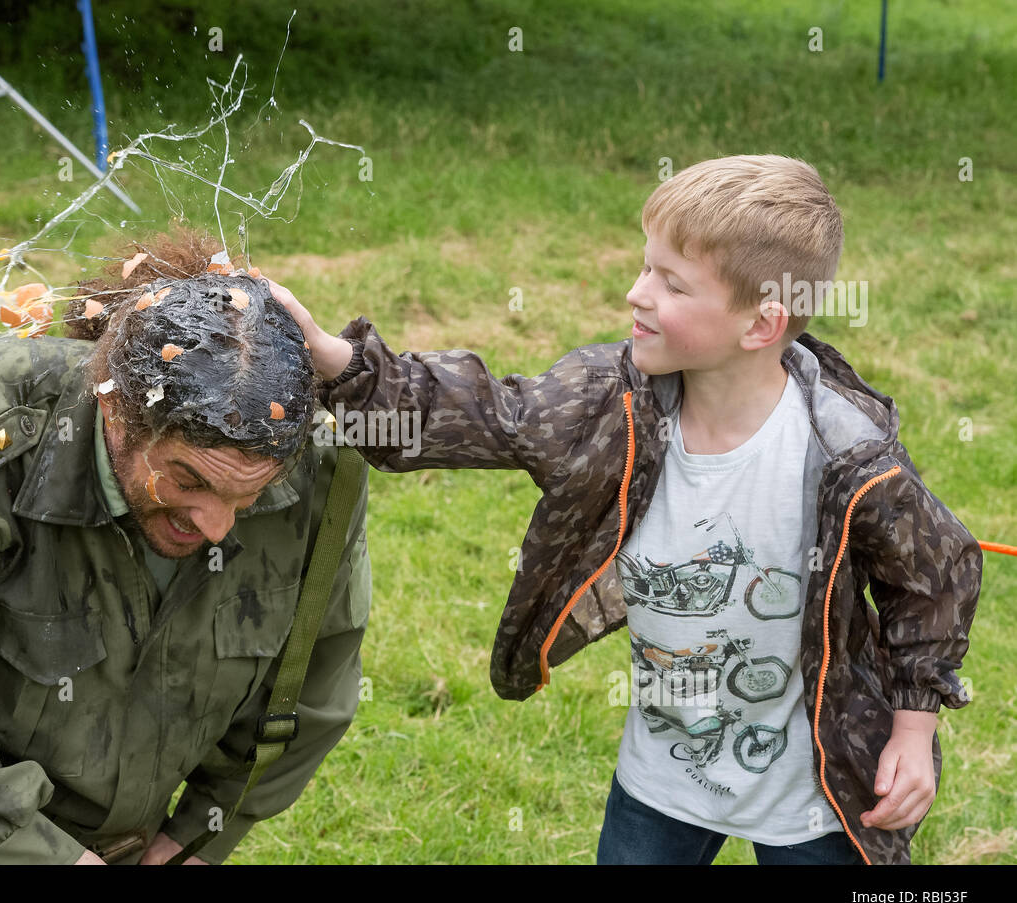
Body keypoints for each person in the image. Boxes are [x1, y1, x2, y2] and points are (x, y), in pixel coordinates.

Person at [266, 155, 983, 865]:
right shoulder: (610, 404)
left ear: (761, 324)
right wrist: (339, 362)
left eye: (672, 283)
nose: (637, 293)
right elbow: (487, 413)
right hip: (661, 778)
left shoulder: (847, 454)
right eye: (646, 267)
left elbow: (936, 576)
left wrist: (913, 728)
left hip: (817, 788)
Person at [0, 230, 371, 865]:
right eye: (189, 481)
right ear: (119, 416)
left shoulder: (319, 468)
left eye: (248, 495)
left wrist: (196, 838)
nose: (218, 526)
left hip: (107, 833)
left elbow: (309, 686)